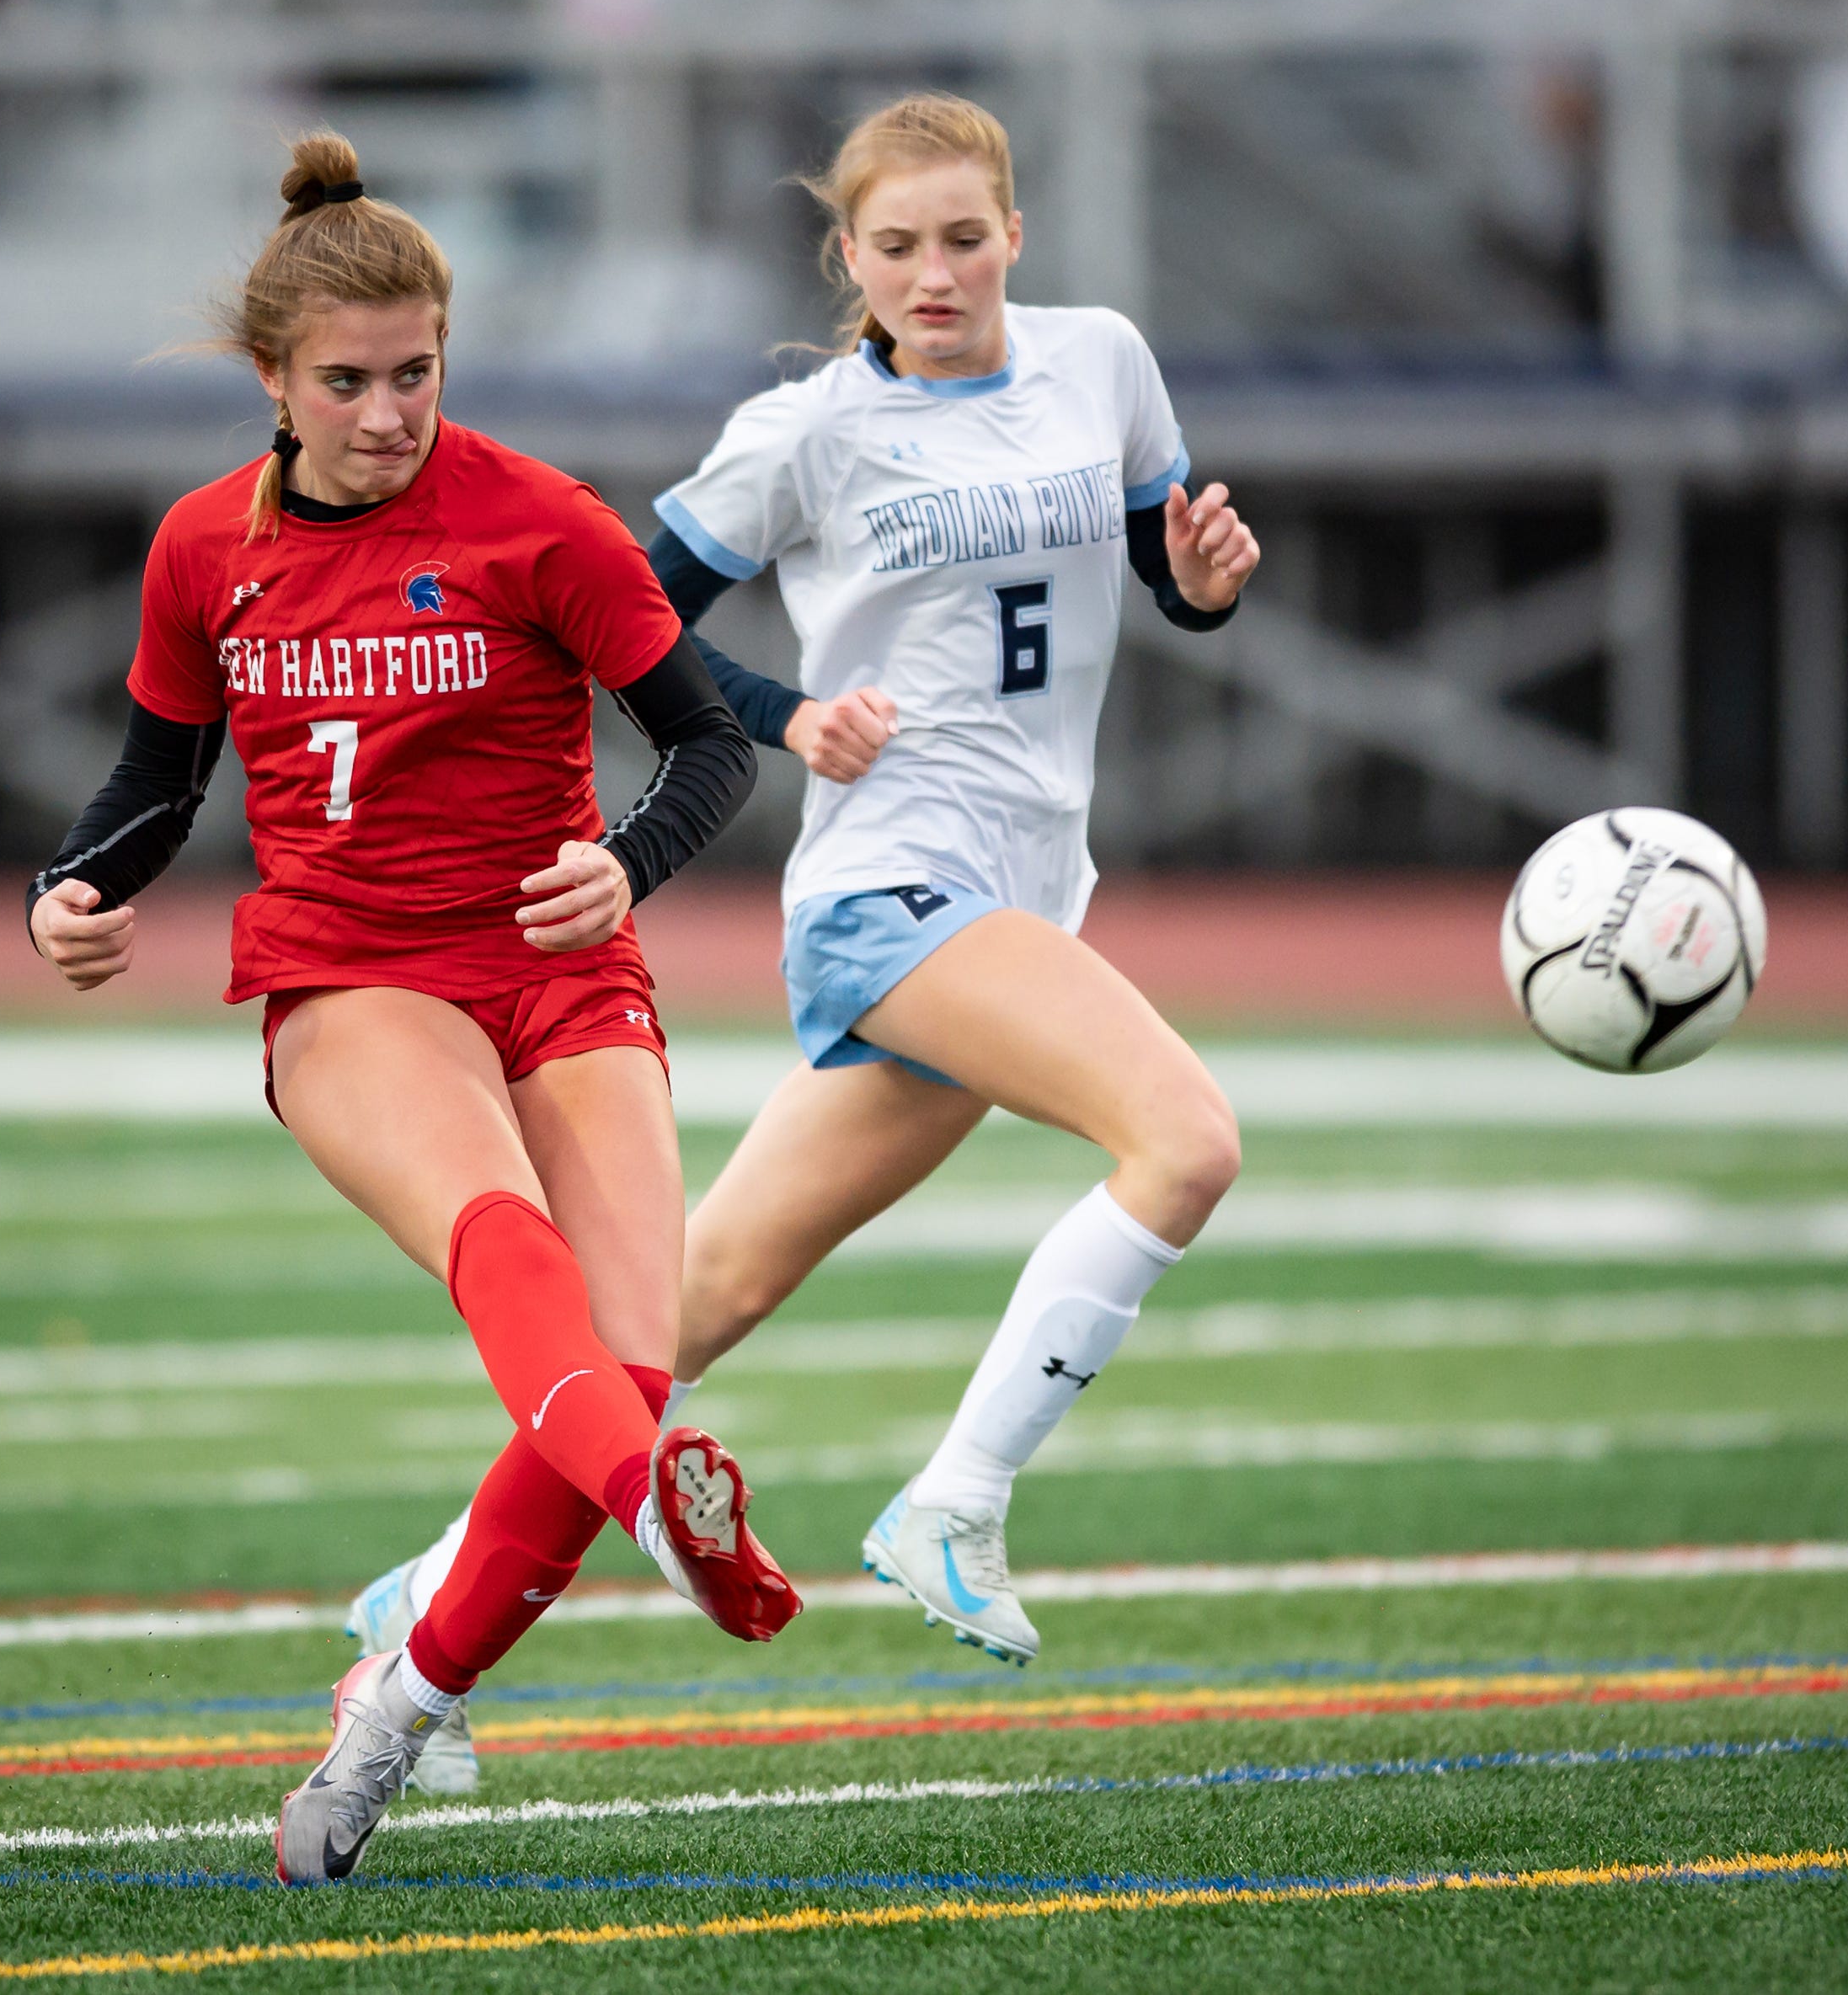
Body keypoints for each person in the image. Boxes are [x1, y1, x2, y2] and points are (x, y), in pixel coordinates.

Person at [366, 89, 1255, 1792]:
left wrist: (1205, 582)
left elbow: (1166, 565)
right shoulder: (809, 429)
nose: (938, 272)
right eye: (900, 247)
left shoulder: (1103, 360)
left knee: (678, 1314)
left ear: (1016, 233)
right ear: (849, 258)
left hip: (1025, 890)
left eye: (966, 237)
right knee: (1188, 1139)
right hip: (889, 896)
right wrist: (782, 715)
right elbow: (621, 615)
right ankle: (955, 1508)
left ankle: (411, 1623)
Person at [24, 131, 798, 1887]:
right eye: (350, 384)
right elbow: (158, 780)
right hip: (352, 977)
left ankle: (390, 1714)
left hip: (562, 969)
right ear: (275, 381)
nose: (390, 414)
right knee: (504, 1249)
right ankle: (652, 1507)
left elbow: (709, 741)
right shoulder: (204, 545)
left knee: (625, 1360)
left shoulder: (540, 516)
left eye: (418, 374)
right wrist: (70, 893)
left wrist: (632, 864)